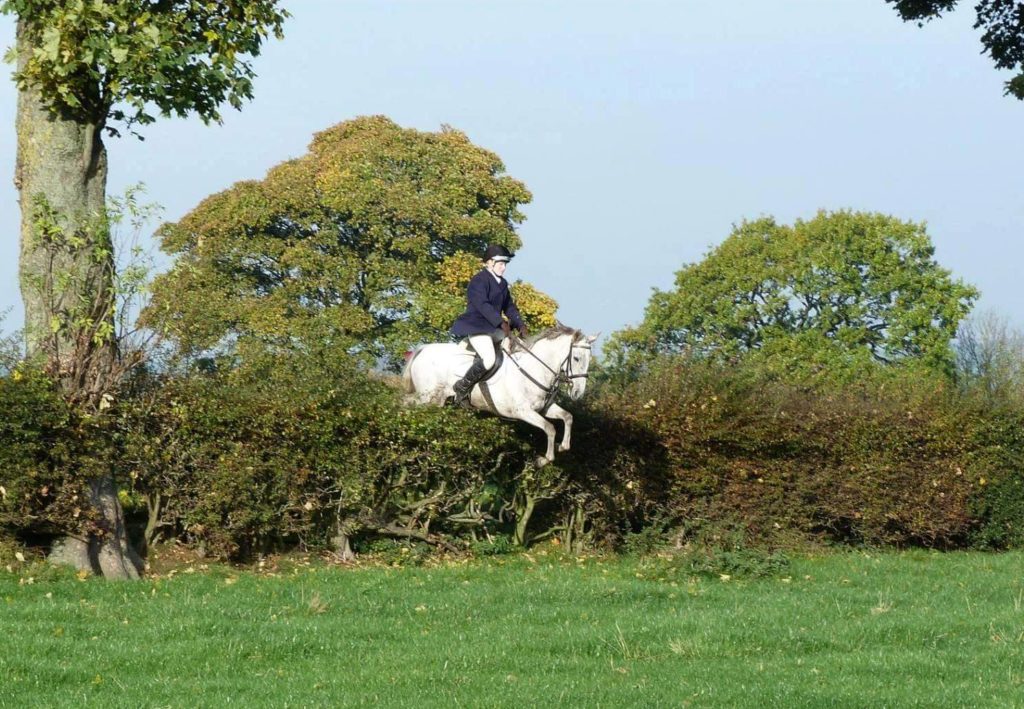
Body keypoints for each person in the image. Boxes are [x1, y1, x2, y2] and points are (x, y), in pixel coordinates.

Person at [450, 244, 528, 407]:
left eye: (505, 264)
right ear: (490, 263)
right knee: (489, 358)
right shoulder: (479, 280)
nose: (504, 268)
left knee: (517, 348)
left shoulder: (502, 283)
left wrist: (520, 324)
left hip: (493, 328)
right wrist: (500, 322)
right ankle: (462, 387)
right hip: (477, 327)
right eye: (501, 264)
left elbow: (509, 307)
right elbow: (483, 305)